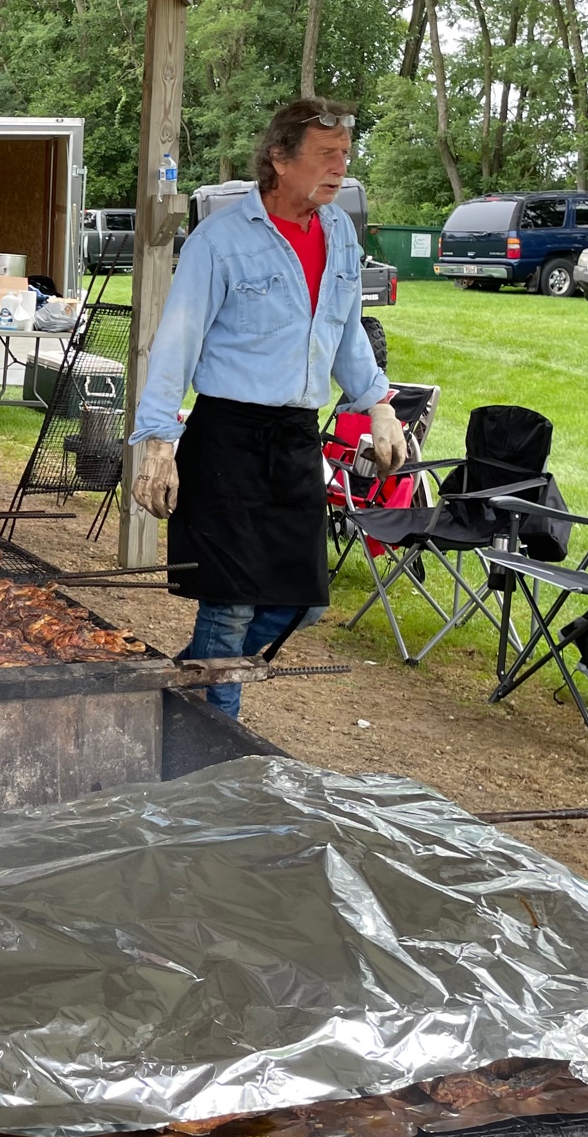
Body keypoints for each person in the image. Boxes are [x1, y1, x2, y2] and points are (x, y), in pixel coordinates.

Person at [128, 98, 405, 720]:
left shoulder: (338, 235)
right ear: (279, 159)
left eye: (345, 156)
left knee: (301, 604)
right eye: (325, 155)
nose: (340, 168)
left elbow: (345, 331)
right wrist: (156, 442)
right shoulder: (220, 240)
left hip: (295, 440)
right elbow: (177, 341)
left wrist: (379, 405)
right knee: (228, 607)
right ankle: (209, 739)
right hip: (227, 437)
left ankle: (183, 684)